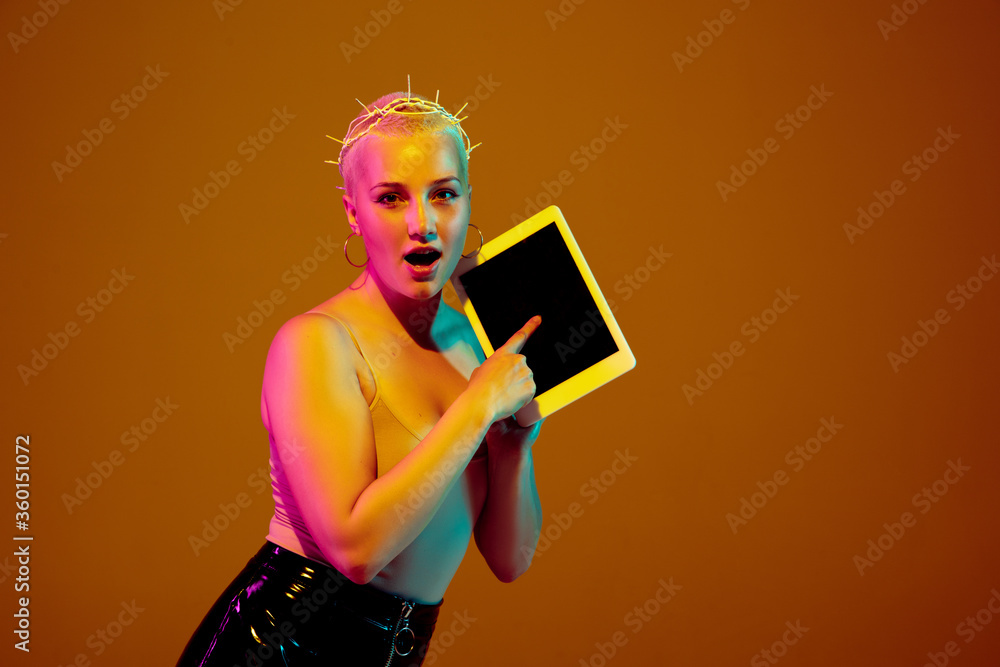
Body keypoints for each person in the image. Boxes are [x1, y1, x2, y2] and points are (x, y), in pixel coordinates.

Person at [177, 81, 546, 666]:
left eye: (444, 195)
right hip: (281, 647)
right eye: (391, 198)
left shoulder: (481, 346)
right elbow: (356, 549)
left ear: (469, 202)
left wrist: (516, 446)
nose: (422, 223)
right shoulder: (316, 344)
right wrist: (476, 409)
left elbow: (511, 560)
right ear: (353, 212)